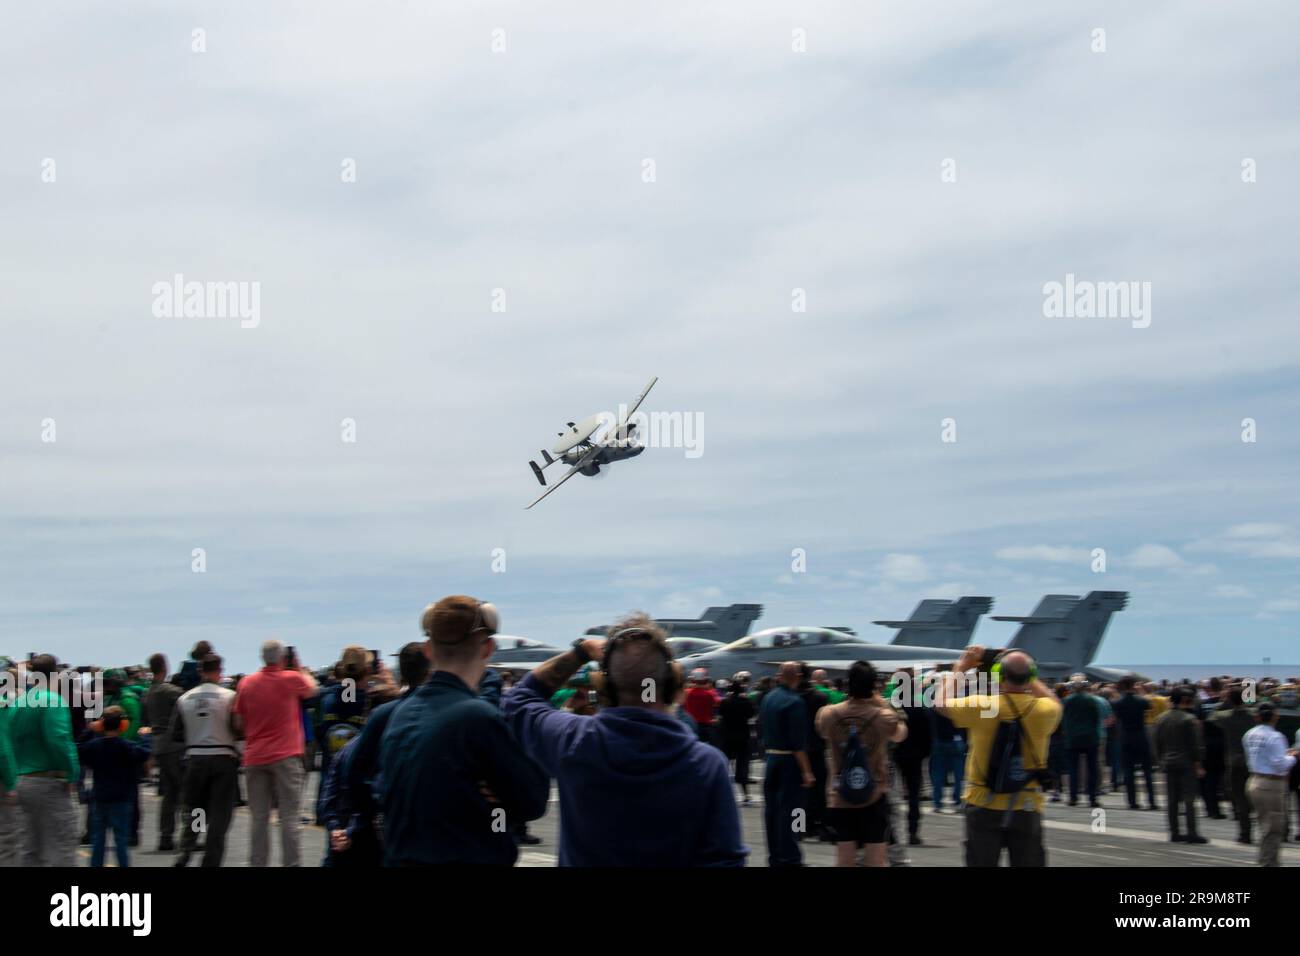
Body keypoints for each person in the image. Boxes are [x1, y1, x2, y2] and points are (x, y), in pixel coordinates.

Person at [503, 613, 746, 866]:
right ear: (674, 683)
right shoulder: (707, 765)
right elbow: (726, 859)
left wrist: (581, 652)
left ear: (603, 687)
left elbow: (518, 701)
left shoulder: (571, 740)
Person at [380, 596, 549, 865]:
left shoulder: (399, 713)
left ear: (427, 650)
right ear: (488, 648)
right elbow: (532, 801)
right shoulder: (478, 717)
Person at [934, 645, 1061, 867]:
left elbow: (940, 703)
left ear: (999, 675)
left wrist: (961, 668)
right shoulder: (1044, 710)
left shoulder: (985, 707)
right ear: (1030, 676)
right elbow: (1055, 702)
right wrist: (1022, 669)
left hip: (983, 801)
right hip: (1026, 803)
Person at [234, 640, 319, 866]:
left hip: (255, 755)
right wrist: (299, 667)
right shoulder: (291, 679)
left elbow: (239, 721)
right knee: (289, 817)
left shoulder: (246, 683)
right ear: (283, 658)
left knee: (259, 819)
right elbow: (313, 688)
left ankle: (258, 863)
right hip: (286, 755)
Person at [815, 661, 906, 866]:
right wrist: (881, 702)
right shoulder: (883, 716)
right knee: (875, 859)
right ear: (873, 686)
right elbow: (901, 735)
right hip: (874, 795)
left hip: (840, 795)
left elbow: (821, 732)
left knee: (844, 858)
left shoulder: (828, 714)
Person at [171, 654, 242, 867]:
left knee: (196, 810)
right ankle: (210, 860)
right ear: (219, 671)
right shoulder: (230, 697)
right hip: (223, 759)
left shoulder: (185, 699)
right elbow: (238, 729)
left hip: (195, 759)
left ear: (200, 671)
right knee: (219, 816)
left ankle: (187, 850)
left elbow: (176, 734)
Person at [11, 654, 80, 866]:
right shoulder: (53, 700)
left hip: (22, 780)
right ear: (55, 674)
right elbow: (58, 740)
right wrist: (71, 772)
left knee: (30, 850)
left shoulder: (19, 702)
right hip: (48, 782)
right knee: (61, 848)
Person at [78, 706, 151, 867]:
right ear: (123, 725)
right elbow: (145, 752)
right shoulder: (127, 746)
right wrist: (145, 736)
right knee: (121, 842)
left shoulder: (94, 746)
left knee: (98, 842)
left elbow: (79, 748)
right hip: (122, 799)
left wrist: (90, 730)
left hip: (100, 798)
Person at [758, 661, 814, 867]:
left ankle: (775, 856)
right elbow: (798, 744)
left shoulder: (768, 698)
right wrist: (807, 771)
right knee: (793, 811)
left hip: (771, 759)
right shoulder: (795, 702)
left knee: (771, 810)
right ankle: (791, 856)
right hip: (789, 762)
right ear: (798, 677)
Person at [315, 645, 373, 825]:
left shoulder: (326, 698)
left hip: (330, 791)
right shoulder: (369, 700)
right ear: (367, 671)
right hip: (357, 793)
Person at [1243, 701, 1297, 866]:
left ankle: (1266, 860)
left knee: (1264, 824)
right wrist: (1293, 756)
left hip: (1254, 780)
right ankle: (1268, 863)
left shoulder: (1249, 734)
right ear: (1275, 716)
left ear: (1257, 716)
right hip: (1271, 784)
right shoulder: (1275, 736)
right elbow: (1280, 764)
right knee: (1273, 828)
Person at [1154, 686, 1206, 844]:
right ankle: (1192, 832)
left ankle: (1174, 832)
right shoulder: (1189, 720)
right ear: (1186, 701)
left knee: (1172, 800)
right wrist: (1199, 764)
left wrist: (1161, 761)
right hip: (1186, 763)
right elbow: (1195, 746)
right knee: (1189, 799)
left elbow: (1158, 743)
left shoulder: (1161, 719)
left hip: (1168, 762)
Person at [143, 653, 184, 852]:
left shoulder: (148, 693)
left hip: (158, 745)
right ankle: (195, 832)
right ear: (164, 667)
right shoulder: (170, 691)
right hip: (176, 746)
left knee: (169, 795)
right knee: (191, 793)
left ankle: (165, 835)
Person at [1209, 687, 1256, 844]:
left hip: (1233, 760)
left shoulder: (1225, 716)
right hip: (1251, 760)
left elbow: (1211, 716)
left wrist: (1224, 702)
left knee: (1239, 797)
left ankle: (1245, 833)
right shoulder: (1252, 715)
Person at [891, 668, 930, 845]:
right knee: (914, 795)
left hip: (894, 755)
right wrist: (924, 754)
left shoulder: (890, 707)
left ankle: (891, 831)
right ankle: (913, 831)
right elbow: (928, 735)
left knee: (891, 795)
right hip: (915, 756)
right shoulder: (920, 708)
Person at [1112, 676, 1157, 810]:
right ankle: (1151, 801)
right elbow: (1149, 705)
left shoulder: (1117, 703)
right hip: (1140, 735)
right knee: (1147, 771)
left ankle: (1132, 801)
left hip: (1125, 736)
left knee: (1128, 771)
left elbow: (1115, 717)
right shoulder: (1141, 700)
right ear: (1133, 686)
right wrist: (1140, 692)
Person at [1062, 675, 1104, 808]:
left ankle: (1073, 797)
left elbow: (1064, 719)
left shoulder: (1067, 701)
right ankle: (1092, 798)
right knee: (1092, 769)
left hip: (1073, 738)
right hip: (1090, 738)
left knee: (1073, 769)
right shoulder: (1092, 700)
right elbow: (1096, 718)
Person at [717, 679, 755, 805]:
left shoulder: (725, 702)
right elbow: (751, 714)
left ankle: (722, 793)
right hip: (743, 736)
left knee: (725, 764)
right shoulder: (746, 702)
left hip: (727, 736)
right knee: (743, 766)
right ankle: (746, 795)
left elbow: (720, 714)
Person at [929, 701, 967, 812]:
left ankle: (937, 803)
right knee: (958, 775)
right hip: (957, 740)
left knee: (938, 774)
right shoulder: (958, 705)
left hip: (939, 741)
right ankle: (957, 801)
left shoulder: (934, 706)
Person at [683, 671, 720, 745]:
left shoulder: (686, 693)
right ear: (705, 681)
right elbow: (715, 705)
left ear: (692, 680)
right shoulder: (709, 695)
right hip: (704, 727)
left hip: (689, 726)